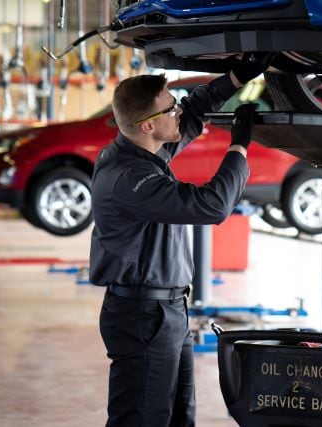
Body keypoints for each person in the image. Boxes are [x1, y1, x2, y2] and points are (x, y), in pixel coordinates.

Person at [89, 53, 272, 427]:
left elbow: (195, 108)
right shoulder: (130, 178)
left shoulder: (144, 148)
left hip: (167, 309)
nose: (179, 113)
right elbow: (212, 205)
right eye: (170, 109)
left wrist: (237, 75)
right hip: (143, 316)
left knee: (177, 417)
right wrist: (239, 144)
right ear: (148, 125)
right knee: (142, 419)